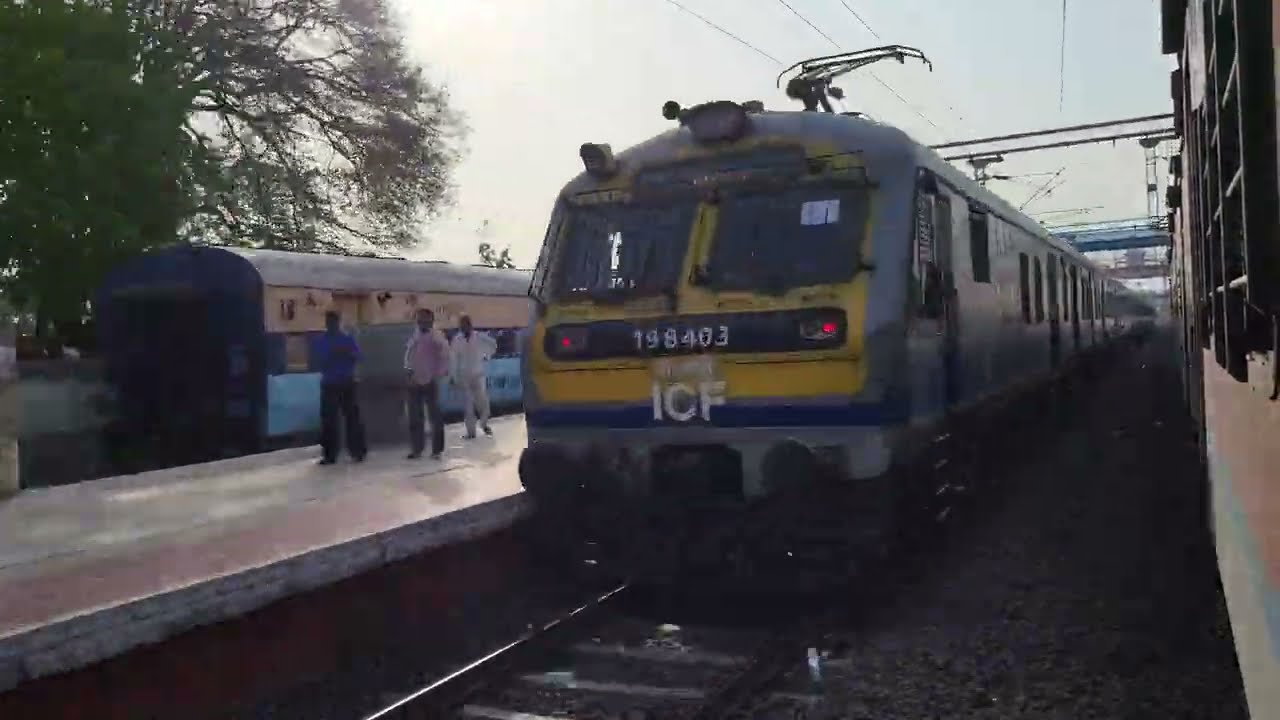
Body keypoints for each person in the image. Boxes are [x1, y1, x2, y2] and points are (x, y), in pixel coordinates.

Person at [315, 310, 367, 465]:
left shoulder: (341, 339)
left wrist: (343, 354)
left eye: (332, 321)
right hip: (338, 382)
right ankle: (351, 452)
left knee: (339, 419)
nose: (330, 324)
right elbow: (319, 360)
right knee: (343, 419)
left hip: (339, 382)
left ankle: (340, 454)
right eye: (329, 322)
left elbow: (358, 357)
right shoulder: (338, 339)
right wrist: (342, 354)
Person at [404, 308, 449, 459]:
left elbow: (445, 357)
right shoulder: (415, 335)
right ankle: (417, 448)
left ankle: (437, 450)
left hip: (431, 381)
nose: (421, 322)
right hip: (414, 381)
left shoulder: (437, 337)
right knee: (415, 417)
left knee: (435, 417)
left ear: (431, 320)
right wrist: (408, 371)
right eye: (419, 319)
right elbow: (408, 356)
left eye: (424, 319)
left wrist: (439, 374)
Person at [450, 314, 498, 439]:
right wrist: (453, 376)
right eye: (461, 325)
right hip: (464, 376)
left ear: (470, 325)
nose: (462, 327)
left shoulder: (479, 336)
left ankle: (483, 423)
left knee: (483, 403)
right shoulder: (457, 339)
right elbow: (453, 359)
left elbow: (493, 345)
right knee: (468, 405)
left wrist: (487, 355)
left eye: (465, 324)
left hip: (478, 374)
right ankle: (471, 432)